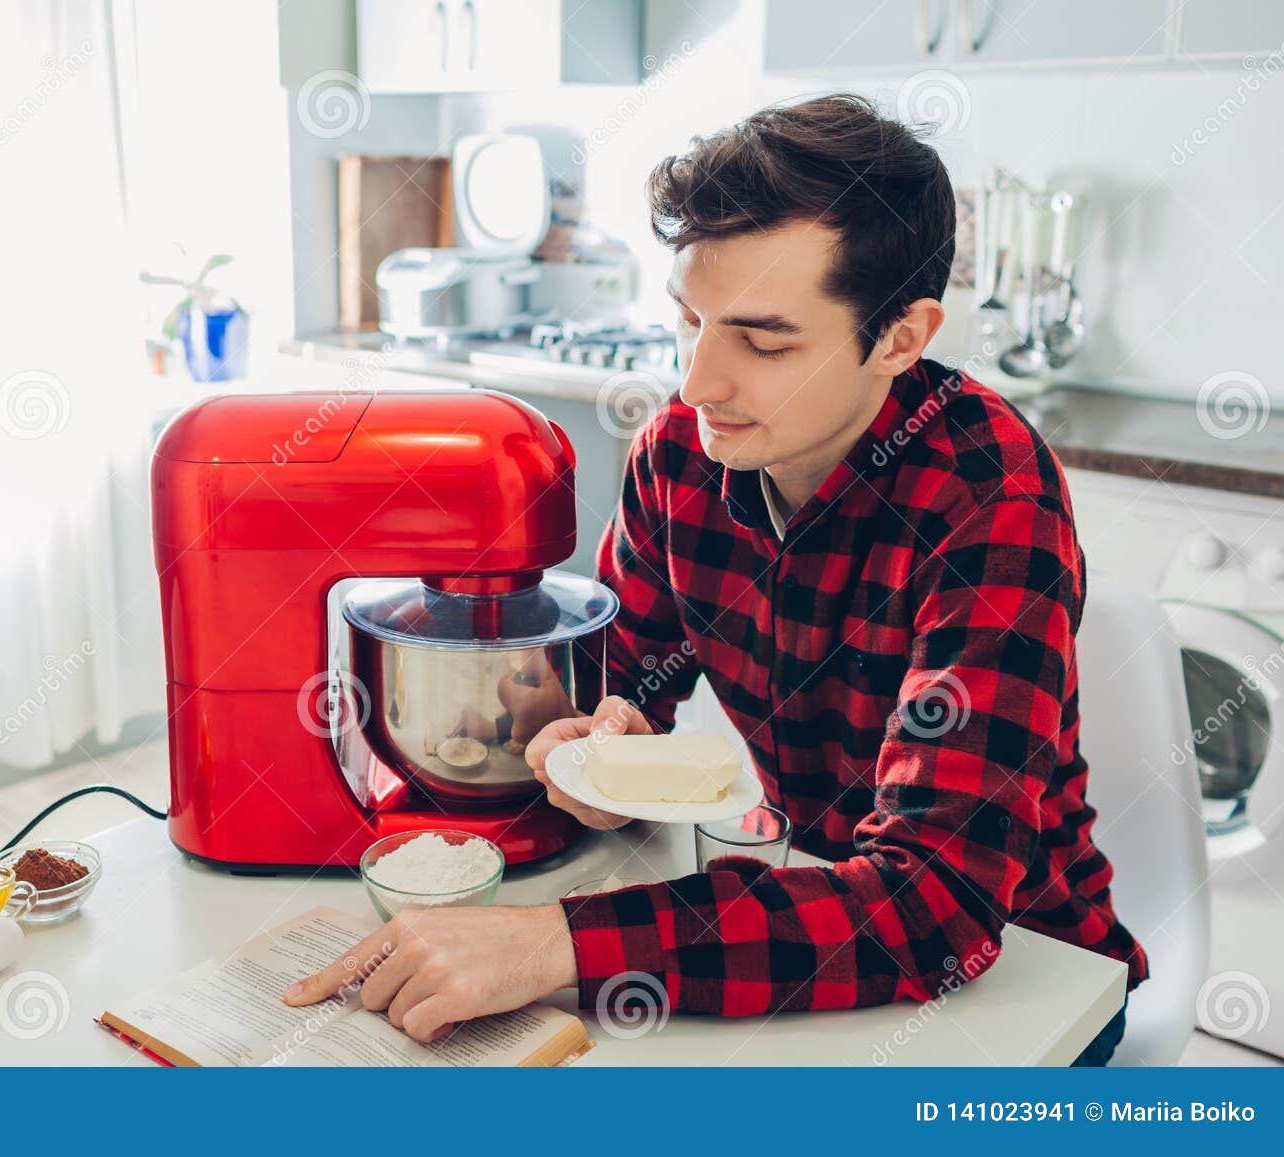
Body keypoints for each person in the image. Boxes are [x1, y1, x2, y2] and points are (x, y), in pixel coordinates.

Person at [283, 93, 1146, 1064]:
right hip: (805, 909)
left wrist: (552, 941)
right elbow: (631, 692)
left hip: (1033, 979)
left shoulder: (987, 494)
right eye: (688, 320)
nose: (697, 383)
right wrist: (597, 740)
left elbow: (931, 898)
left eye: (762, 340)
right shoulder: (679, 461)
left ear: (900, 338)